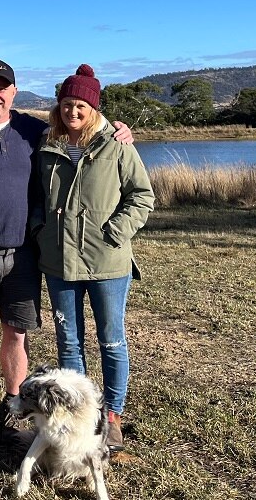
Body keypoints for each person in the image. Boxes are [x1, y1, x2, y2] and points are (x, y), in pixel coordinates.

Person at [0, 60, 133, 443]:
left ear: (13, 92)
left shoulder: (34, 130)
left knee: (17, 333)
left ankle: (12, 404)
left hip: (25, 254)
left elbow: (82, 125)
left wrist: (119, 130)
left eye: (2, 87)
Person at [30, 64, 154, 454]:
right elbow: (35, 199)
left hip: (108, 265)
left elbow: (142, 196)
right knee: (69, 343)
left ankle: (111, 417)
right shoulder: (46, 148)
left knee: (112, 341)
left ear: (94, 108)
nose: (73, 112)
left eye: (81, 105)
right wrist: (41, 231)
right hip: (59, 262)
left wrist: (114, 232)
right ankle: (83, 416)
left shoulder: (117, 145)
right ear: (58, 107)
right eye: (67, 104)